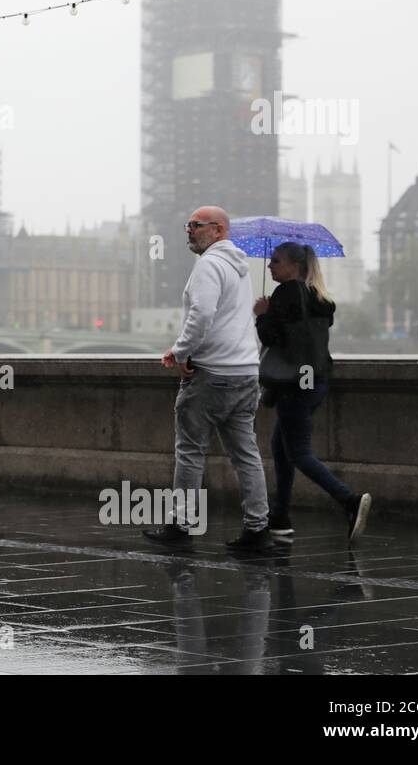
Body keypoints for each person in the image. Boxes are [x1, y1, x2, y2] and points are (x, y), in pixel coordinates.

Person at [143, 206, 273, 552]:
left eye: (195, 226)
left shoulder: (209, 265)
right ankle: (258, 528)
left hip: (213, 375)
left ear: (217, 230)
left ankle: (181, 526)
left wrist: (181, 352)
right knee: (246, 455)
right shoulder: (240, 267)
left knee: (189, 452)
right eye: (188, 225)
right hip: (246, 373)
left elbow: (202, 314)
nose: (188, 231)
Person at [255, 241, 370, 543]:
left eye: (275, 261)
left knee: (300, 454)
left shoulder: (285, 293)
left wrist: (262, 313)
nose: (270, 266)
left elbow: (271, 337)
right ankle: (279, 519)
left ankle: (350, 500)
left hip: (292, 384)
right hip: (316, 381)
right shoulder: (320, 296)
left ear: (295, 265)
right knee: (280, 448)